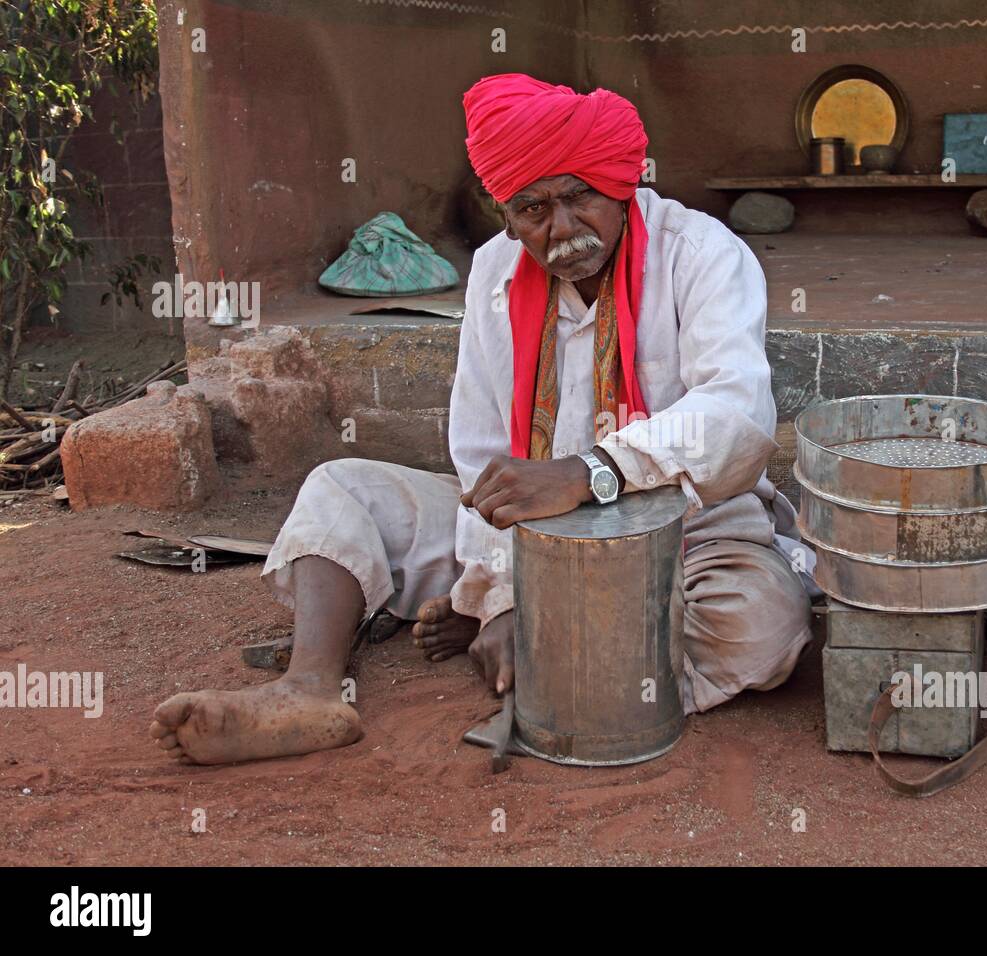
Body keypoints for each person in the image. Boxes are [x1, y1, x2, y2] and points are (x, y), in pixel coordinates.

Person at [149, 73, 813, 766]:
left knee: (760, 627)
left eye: (579, 196)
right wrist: (500, 595)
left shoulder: (701, 253)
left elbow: (736, 412)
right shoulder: (496, 272)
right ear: (505, 215)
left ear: (618, 182)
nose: (561, 229)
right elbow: (481, 454)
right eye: (532, 209)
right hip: (525, 529)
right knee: (341, 490)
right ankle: (311, 689)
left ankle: (550, 648)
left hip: (686, 529)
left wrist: (589, 472)